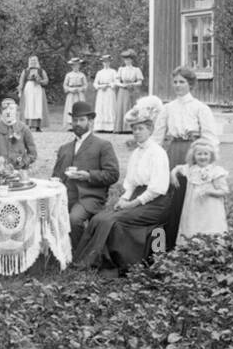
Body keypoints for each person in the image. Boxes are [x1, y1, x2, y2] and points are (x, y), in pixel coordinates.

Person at [72, 106, 171, 273]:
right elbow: (131, 183)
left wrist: (131, 204)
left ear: (150, 130)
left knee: (111, 221)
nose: (137, 132)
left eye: (141, 129)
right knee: (100, 218)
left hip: (155, 203)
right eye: (134, 129)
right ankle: (87, 260)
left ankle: (110, 263)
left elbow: (156, 189)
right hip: (137, 198)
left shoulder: (158, 153)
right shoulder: (136, 153)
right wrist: (124, 198)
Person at [154, 65, 218, 249]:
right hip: (174, 151)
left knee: (192, 194)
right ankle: (169, 240)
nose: (178, 86)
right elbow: (157, 137)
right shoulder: (167, 108)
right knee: (173, 195)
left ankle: (194, 240)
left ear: (190, 84)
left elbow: (210, 137)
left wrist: (207, 163)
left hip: (193, 153)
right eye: (175, 82)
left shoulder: (200, 108)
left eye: (182, 82)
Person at [51, 101, 120, 249]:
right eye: (75, 120)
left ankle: (80, 254)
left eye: (81, 120)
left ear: (90, 121)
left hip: (89, 197)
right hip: (65, 196)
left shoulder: (103, 145)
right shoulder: (64, 148)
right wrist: (54, 181)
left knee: (73, 219)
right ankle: (57, 249)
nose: (77, 124)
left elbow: (113, 174)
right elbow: (56, 175)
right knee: (44, 213)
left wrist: (88, 176)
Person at [173, 137, 230, 243]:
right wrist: (173, 175)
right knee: (192, 226)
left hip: (210, 209)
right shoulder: (191, 169)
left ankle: (211, 248)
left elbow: (224, 191)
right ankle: (191, 247)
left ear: (211, 156)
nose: (202, 157)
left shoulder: (215, 171)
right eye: (199, 154)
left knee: (210, 228)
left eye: (205, 154)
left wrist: (210, 191)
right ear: (193, 156)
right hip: (193, 209)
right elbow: (178, 168)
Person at [0, 98, 38, 170]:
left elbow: (32, 154)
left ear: (16, 111)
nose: (8, 112)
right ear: (0, 111)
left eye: (11, 109)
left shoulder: (24, 129)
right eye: (5, 109)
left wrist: (23, 162)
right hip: (0, 171)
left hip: (20, 171)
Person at [112, 49, 145, 134]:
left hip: (132, 91)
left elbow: (140, 82)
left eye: (129, 59)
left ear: (132, 60)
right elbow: (116, 81)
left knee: (131, 107)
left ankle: (130, 128)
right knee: (121, 107)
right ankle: (120, 128)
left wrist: (133, 84)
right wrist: (122, 85)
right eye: (126, 59)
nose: (127, 61)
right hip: (123, 90)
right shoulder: (121, 69)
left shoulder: (136, 70)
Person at [16, 56, 49, 132]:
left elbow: (46, 80)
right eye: (31, 61)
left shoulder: (41, 70)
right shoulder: (25, 71)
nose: (33, 62)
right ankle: (28, 125)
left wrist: (39, 80)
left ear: (37, 61)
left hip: (38, 90)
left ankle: (38, 126)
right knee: (29, 106)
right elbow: (21, 81)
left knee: (37, 107)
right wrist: (20, 90)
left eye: (34, 60)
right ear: (29, 62)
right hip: (28, 90)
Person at [92, 55, 118, 133]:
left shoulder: (113, 72)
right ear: (102, 63)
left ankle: (110, 127)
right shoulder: (99, 72)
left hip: (109, 91)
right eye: (104, 62)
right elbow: (95, 83)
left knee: (109, 107)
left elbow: (116, 82)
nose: (106, 63)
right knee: (101, 107)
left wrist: (109, 85)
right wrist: (100, 86)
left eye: (107, 62)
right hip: (101, 92)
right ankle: (100, 127)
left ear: (110, 62)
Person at [61, 57, 88, 129]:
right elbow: (65, 85)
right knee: (70, 108)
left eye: (77, 65)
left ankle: (80, 124)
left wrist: (80, 89)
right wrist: (70, 89)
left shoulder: (82, 75)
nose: (76, 67)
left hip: (79, 94)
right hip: (71, 94)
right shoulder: (69, 75)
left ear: (79, 66)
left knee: (80, 108)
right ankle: (70, 124)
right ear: (72, 66)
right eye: (74, 65)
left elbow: (85, 85)